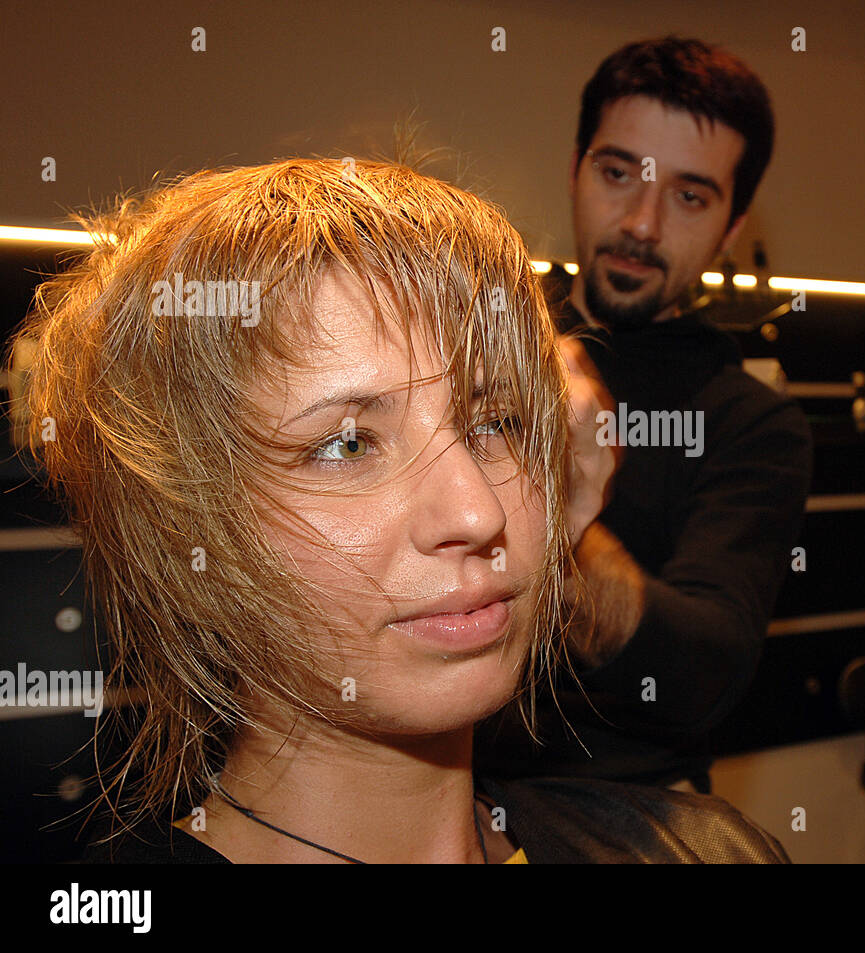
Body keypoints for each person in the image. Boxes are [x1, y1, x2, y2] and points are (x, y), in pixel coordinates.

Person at [11, 157, 788, 863]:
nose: (477, 510)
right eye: (347, 445)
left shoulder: (711, 851)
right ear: (180, 530)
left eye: (496, 422)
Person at [475, 36, 814, 792]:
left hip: (626, 812)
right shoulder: (478, 342)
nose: (641, 222)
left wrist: (560, 521)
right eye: (617, 173)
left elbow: (704, 672)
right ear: (574, 169)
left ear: (731, 228)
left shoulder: (752, 424)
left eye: (689, 196)